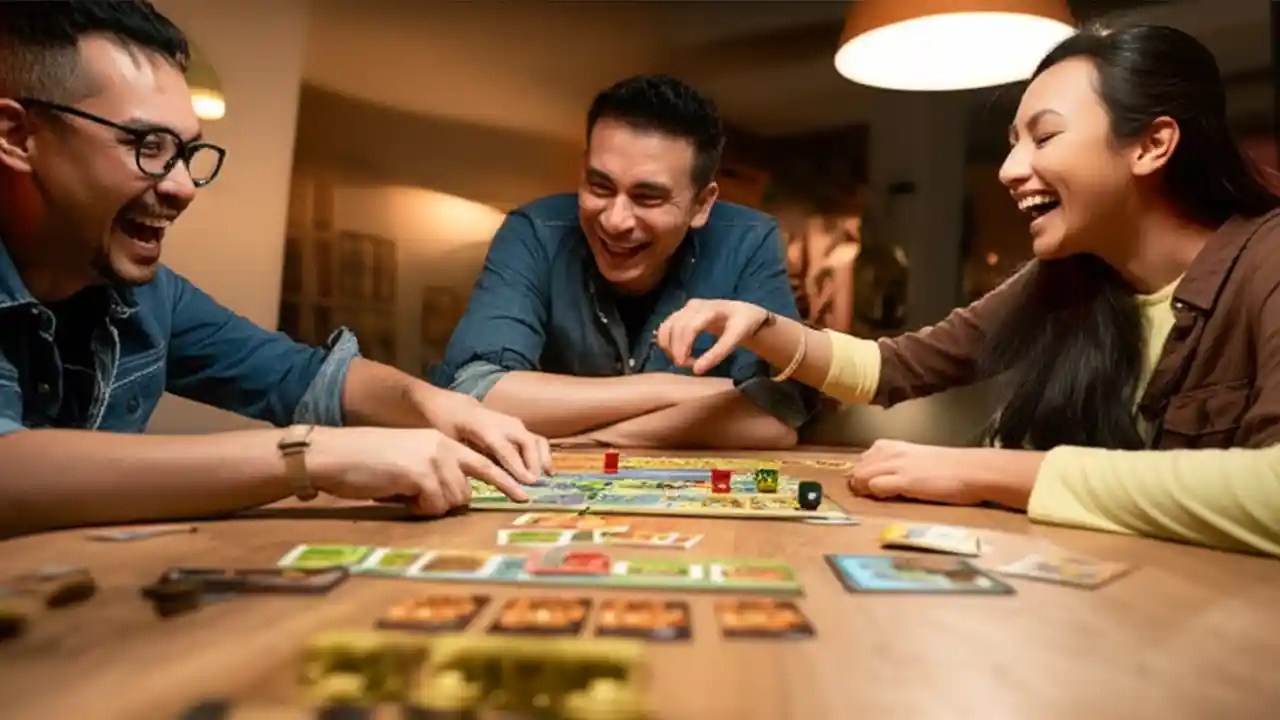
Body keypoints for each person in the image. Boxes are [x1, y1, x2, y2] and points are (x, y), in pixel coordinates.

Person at [654, 24, 1280, 557]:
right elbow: (891, 367)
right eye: (1013, 144)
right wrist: (759, 322)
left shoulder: (1266, 258)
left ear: (1152, 144)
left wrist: (987, 470)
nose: (1010, 169)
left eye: (1045, 136)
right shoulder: (1070, 274)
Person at [0, 1, 550, 538]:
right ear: (18, 136)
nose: (182, 187)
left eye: (186, 153)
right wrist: (310, 456)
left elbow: (300, 376)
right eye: (147, 145)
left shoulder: (149, 297)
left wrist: (433, 404)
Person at [428, 75, 815, 449]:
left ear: (701, 204)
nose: (615, 221)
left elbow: (774, 417)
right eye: (600, 186)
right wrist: (668, 389)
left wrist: (588, 439)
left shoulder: (749, 239)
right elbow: (474, 393)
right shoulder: (533, 231)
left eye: (648, 197)